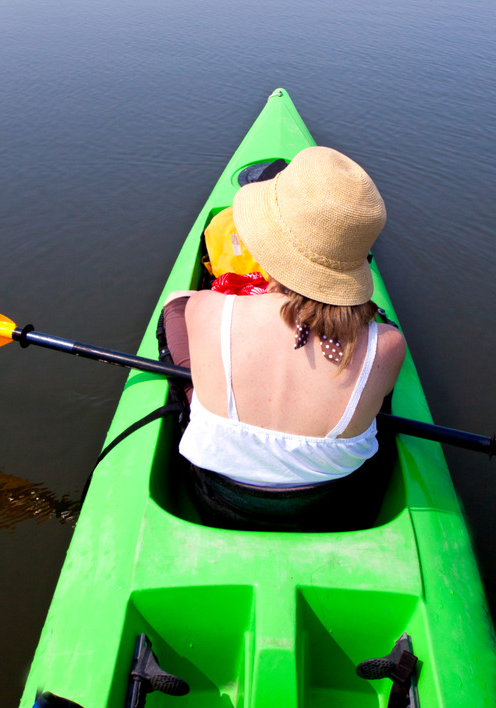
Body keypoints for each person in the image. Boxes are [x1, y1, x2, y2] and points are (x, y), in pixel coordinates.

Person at [160, 147, 407, 531]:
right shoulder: (389, 345)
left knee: (176, 304)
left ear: (269, 245)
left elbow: (193, 309)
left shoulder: (209, 309)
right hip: (330, 507)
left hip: (219, 502)